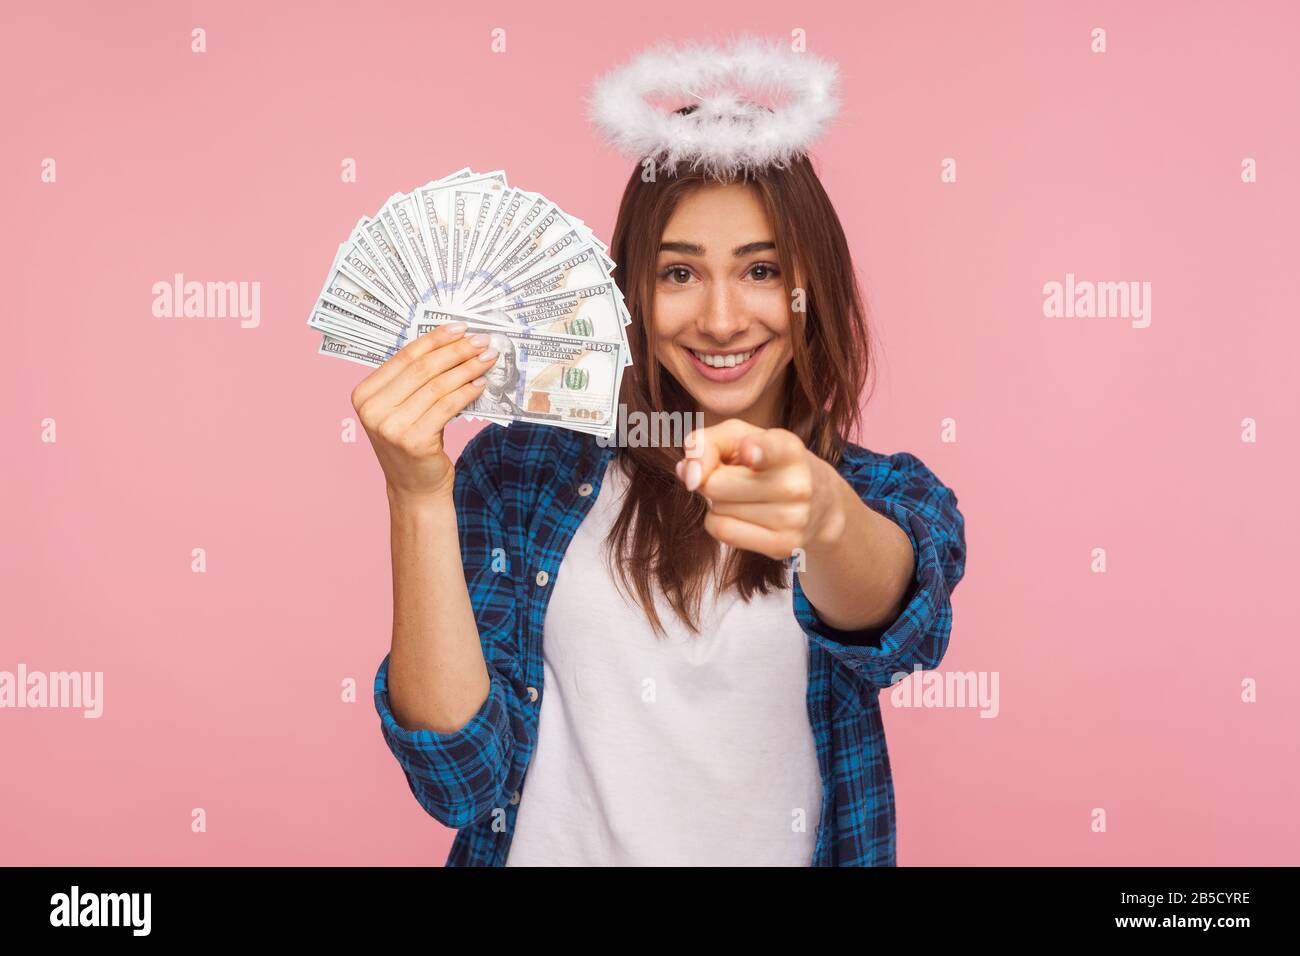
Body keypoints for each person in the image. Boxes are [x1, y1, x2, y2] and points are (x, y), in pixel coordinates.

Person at [352, 37, 967, 865]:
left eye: (760, 270)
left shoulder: (884, 496)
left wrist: (821, 517)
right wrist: (416, 493)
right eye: (679, 274)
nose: (719, 320)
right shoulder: (519, 477)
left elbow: (896, 621)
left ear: (809, 286)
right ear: (630, 289)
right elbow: (460, 782)